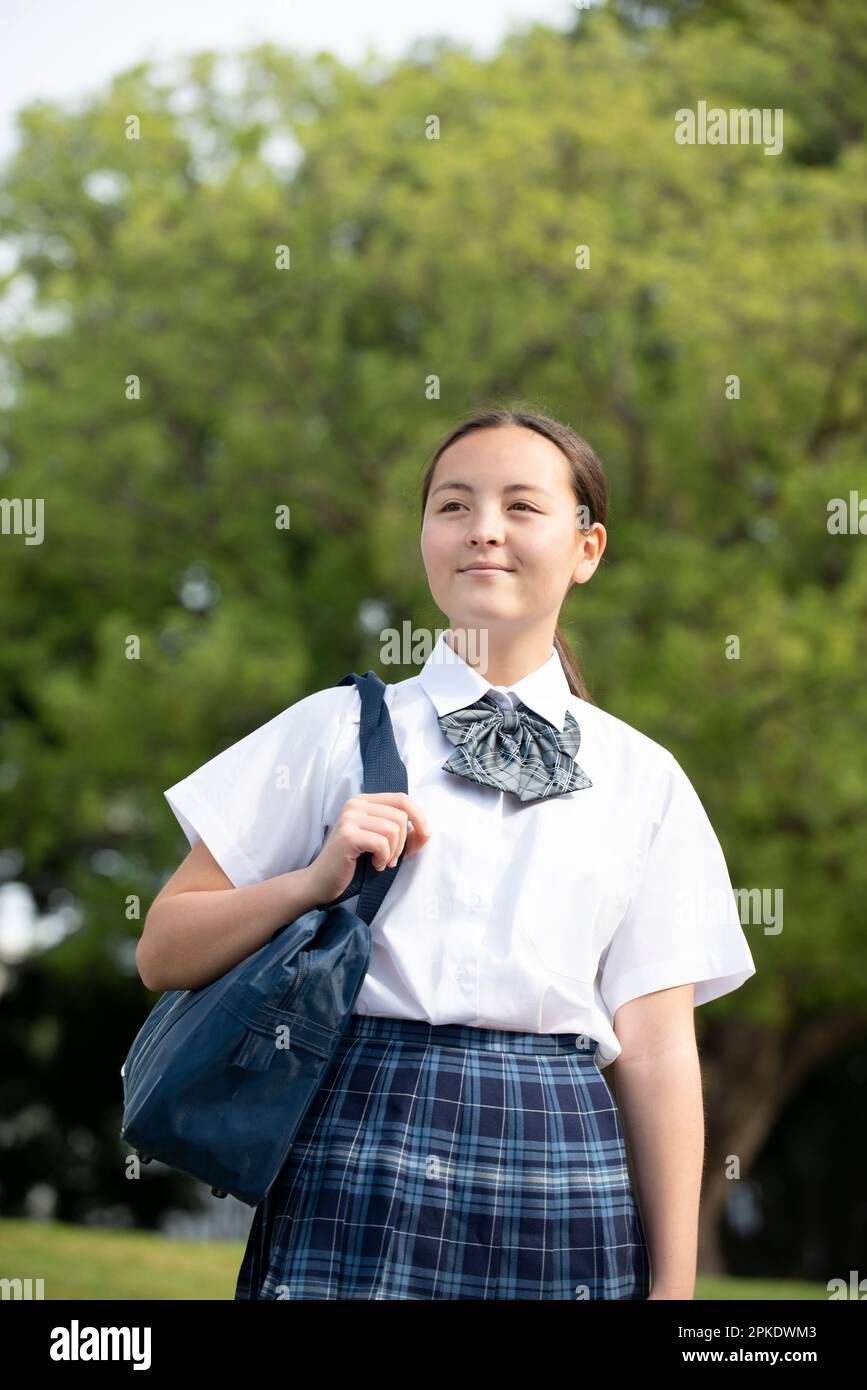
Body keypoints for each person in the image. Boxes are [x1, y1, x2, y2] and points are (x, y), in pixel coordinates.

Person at [136, 404, 756, 1300]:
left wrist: (674, 1294)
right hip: (356, 1146)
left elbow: (657, 1053)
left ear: (587, 549)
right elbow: (163, 949)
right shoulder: (334, 729)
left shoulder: (643, 778)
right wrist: (311, 882)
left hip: (561, 1165)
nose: (484, 532)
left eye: (522, 507)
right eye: (453, 506)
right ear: (425, 534)